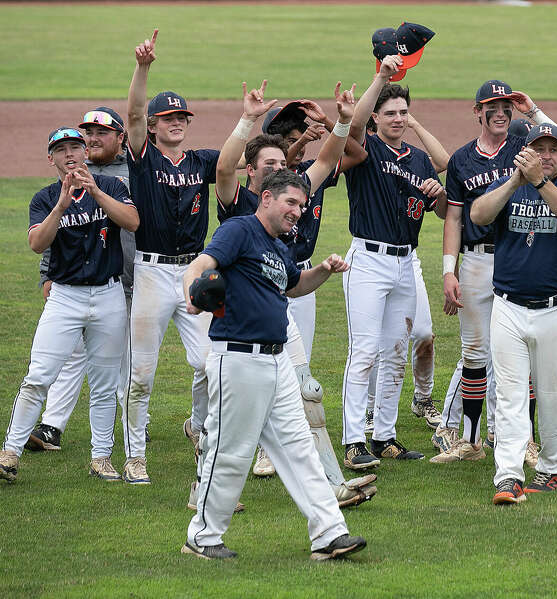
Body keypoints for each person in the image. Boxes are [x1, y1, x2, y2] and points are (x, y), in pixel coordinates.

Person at [181, 168, 364, 560]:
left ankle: (330, 533)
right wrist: (192, 294)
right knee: (229, 452)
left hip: (276, 360)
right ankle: (203, 536)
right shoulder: (241, 230)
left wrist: (324, 271)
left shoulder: (281, 247)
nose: (299, 211)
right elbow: (201, 265)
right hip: (238, 358)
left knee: (299, 447)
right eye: (291, 202)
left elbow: (295, 285)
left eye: (303, 204)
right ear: (266, 198)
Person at [210, 80, 377, 508]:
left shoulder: (295, 192)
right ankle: (204, 487)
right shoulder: (239, 201)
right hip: (241, 315)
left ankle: (333, 485)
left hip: (281, 300)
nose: (272, 166)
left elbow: (327, 158)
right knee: (226, 420)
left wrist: (341, 121)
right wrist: (248, 119)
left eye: (277, 160)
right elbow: (224, 169)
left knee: (305, 391)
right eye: (264, 162)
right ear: (252, 171)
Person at [433, 79, 557, 463]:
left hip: (520, 254)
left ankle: (525, 441)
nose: (500, 113)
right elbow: (454, 217)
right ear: (477, 111)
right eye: (491, 106)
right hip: (478, 259)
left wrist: (532, 110)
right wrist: (450, 269)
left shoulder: (524, 146)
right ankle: (472, 439)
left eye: (505, 106)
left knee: (523, 355)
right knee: (474, 352)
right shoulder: (462, 158)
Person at [0, 128, 139, 482]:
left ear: (85, 153)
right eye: (60, 150)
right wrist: (62, 205)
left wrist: (92, 190)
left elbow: (131, 221)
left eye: (75, 147)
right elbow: (36, 243)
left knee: (105, 383)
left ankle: (101, 457)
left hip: (109, 294)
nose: (69, 155)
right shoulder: (45, 198)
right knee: (38, 376)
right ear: (52, 159)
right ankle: (10, 452)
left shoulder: (111, 187)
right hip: (65, 296)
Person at [471, 122, 557, 504]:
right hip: (508, 306)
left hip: (556, 307)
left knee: (555, 397)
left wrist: (539, 183)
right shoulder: (509, 184)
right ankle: (507, 476)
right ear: (526, 152)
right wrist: (514, 182)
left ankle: (551, 470)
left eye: (554, 149)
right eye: (539, 149)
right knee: (509, 394)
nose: (547, 156)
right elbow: (478, 215)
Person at [120, 29, 219, 485]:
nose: (176, 121)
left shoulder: (201, 161)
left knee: (208, 363)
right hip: (152, 273)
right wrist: (143, 67)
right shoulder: (143, 158)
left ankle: (197, 427)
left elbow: (247, 159)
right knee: (141, 373)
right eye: (168, 117)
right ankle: (135, 455)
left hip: (194, 273)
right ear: (156, 126)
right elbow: (135, 112)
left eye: (181, 116)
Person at [338, 55, 447, 466]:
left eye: (404, 112)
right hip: (367, 260)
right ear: (376, 119)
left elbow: (435, 211)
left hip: (405, 262)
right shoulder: (366, 150)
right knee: (364, 351)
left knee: (397, 352)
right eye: (391, 113)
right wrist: (379, 78)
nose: (399, 118)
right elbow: (349, 128)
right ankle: (353, 440)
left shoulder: (418, 160)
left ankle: (385, 435)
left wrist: (436, 196)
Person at [27, 107, 135, 453]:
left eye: (102, 132)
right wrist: (47, 273)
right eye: (88, 132)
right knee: (72, 355)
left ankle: (133, 425)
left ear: (122, 137)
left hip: (133, 278)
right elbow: (61, 231)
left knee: (126, 360)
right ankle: (51, 426)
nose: (92, 138)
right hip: (81, 283)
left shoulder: (135, 170)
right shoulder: (71, 178)